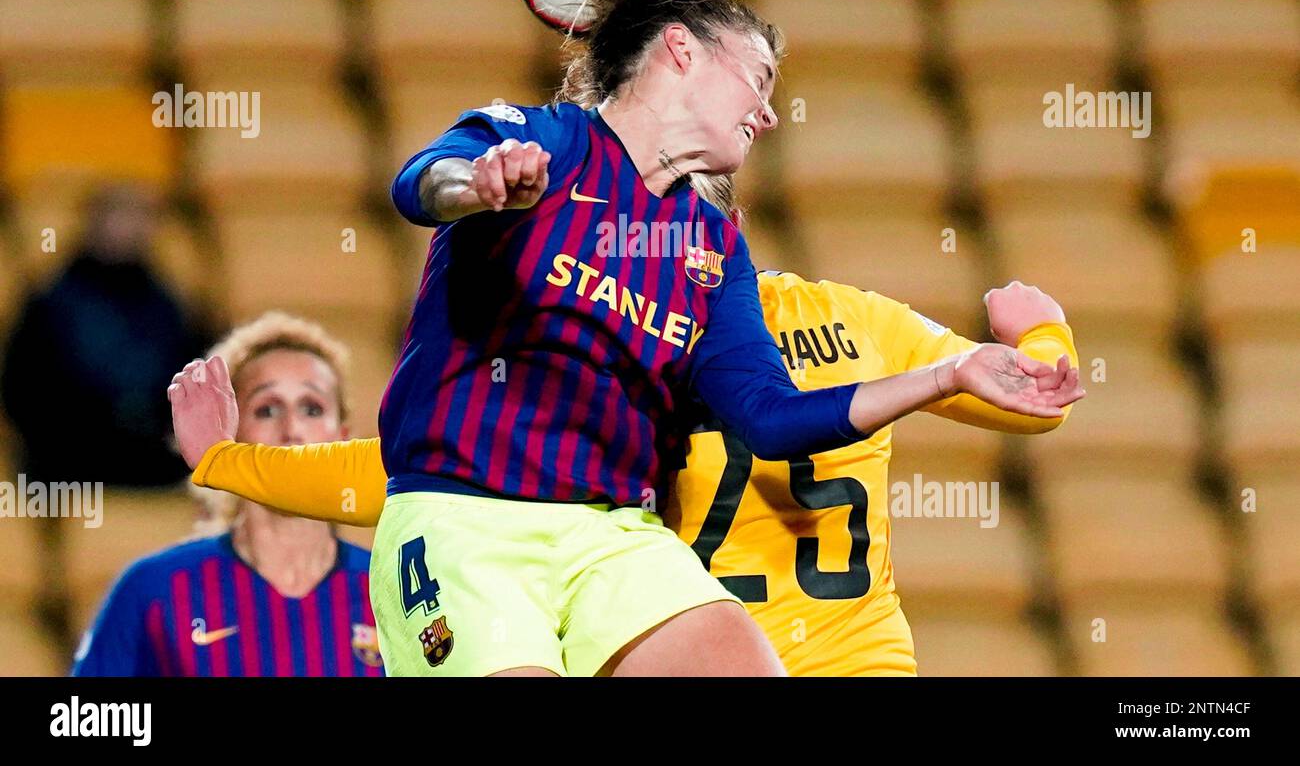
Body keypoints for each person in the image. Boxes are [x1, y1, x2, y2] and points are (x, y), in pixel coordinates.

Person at [174, 0, 1083, 678]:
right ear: (681, 52)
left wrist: (947, 375)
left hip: (613, 531)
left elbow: (767, 420)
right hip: (467, 525)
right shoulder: (547, 143)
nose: (769, 113)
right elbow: (417, 183)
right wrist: (478, 188)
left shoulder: (705, 249)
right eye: (759, 77)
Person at [171, 278, 1078, 676]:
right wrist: (1041, 332)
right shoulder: (858, 320)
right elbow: (1030, 399)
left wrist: (232, 463)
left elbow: (417, 479)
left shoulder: (613, 346)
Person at [73, 313, 382, 677]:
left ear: (343, 438)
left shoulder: (390, 595)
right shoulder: (153, 591)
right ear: (225, 432)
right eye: (266, 409)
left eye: (312, 408)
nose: (292, 429)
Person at [1, 183, 210, 487]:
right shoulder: (50, 302)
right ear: (93, 223)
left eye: (141, 217)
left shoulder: (167, 304)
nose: (131, 228)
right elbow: (21, 390)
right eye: (118, 216)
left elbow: (189, 377)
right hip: (72, 453)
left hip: (148, 452)